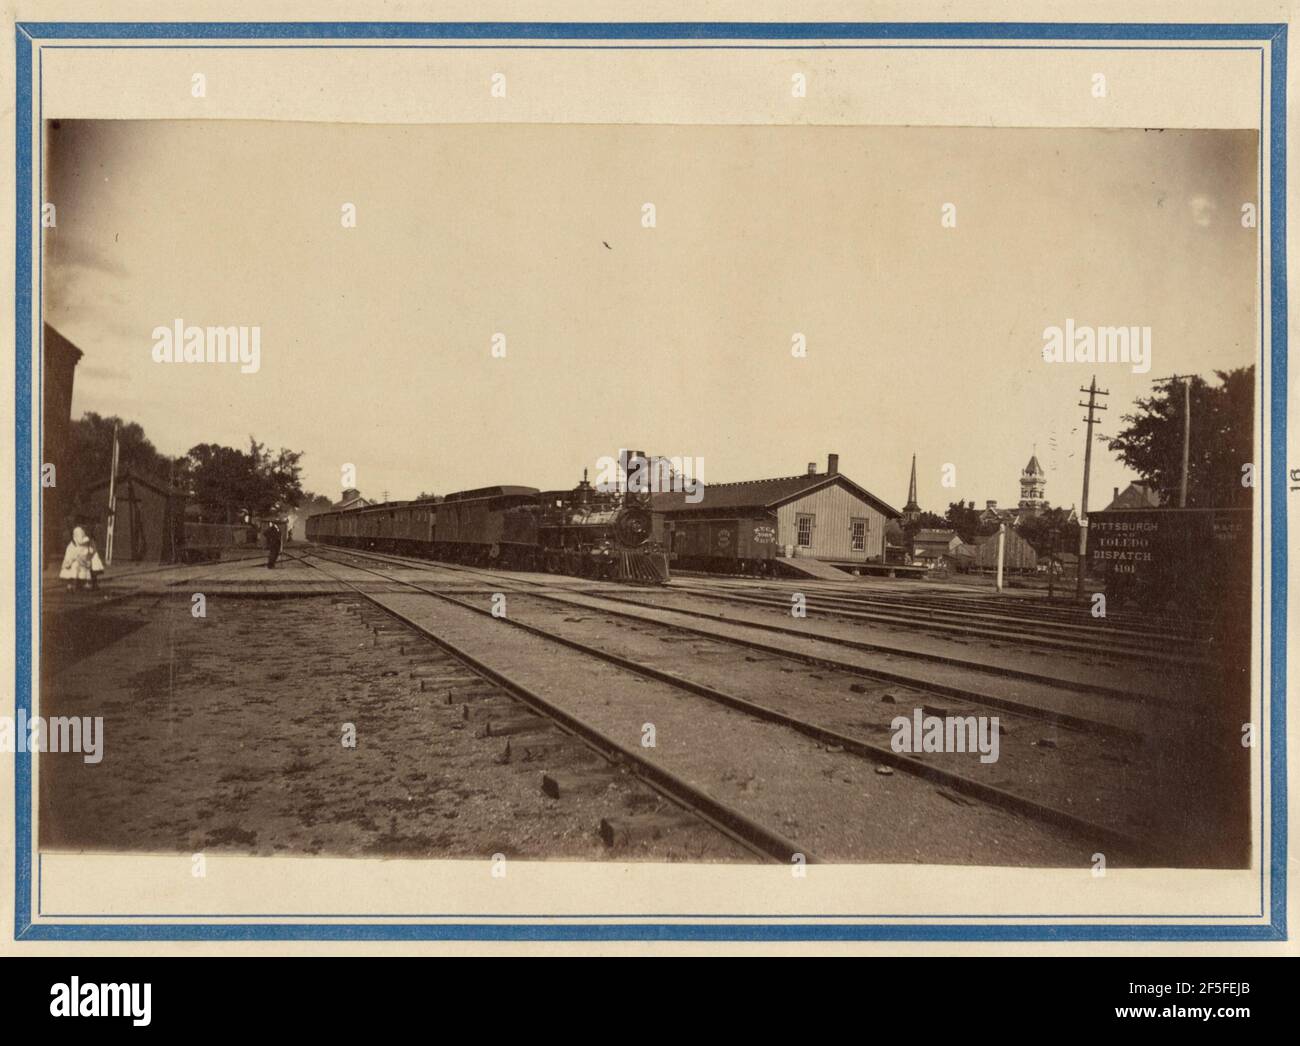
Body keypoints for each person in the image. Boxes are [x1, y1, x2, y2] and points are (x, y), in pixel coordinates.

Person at [59, 525, 94, 593]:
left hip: (80, 555)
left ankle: (75, 585)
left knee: (79, 570)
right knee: (76, 569)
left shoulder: (81, 532)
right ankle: (72, 585)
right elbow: (80, 542)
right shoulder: (78, 532)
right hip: (77, 556)